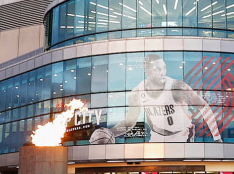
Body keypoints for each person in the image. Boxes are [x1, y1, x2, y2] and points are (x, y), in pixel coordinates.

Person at [90, 54, 223, 144]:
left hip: (182, 135)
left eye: (164, 68)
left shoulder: (177, 86)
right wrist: (110, 133)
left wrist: (217, 137)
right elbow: (129, 122)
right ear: (147, 71)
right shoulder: (137, 92)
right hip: (157, 135)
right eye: (157, 69)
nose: (162, 72)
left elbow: (203, 106)